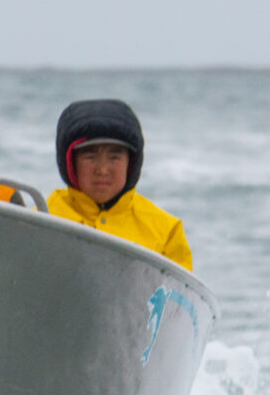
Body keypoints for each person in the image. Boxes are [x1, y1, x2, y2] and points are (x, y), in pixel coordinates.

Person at [45, 99, 192, 269]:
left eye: (115, 157)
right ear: (70, 163)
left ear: (131, 163)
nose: (102, 169)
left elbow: (180, 293)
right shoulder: (43, 220)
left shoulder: (166, 231)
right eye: (90, 157)